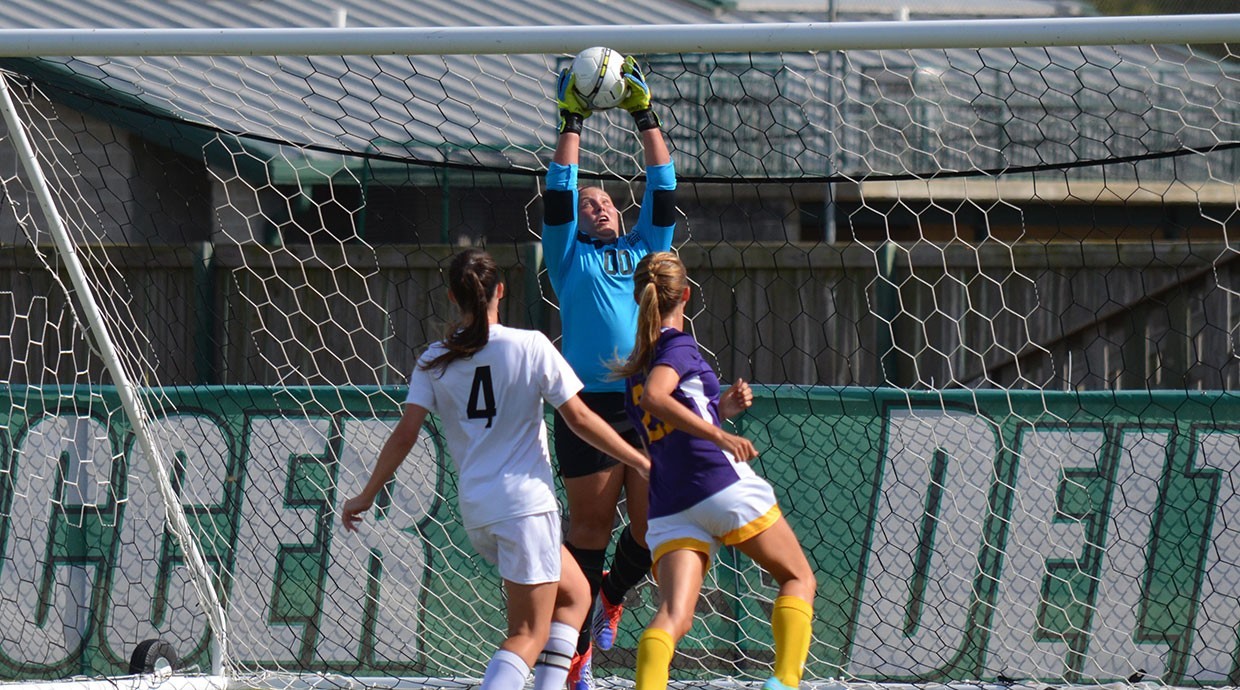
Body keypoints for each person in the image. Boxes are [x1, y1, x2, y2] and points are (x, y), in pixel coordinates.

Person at [341, 248, 651, 690]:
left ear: (453, 297)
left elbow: (405, 434)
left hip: (479, 511)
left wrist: (367, 494)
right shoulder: (531, 346)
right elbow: (580, 419)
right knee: (527, 634)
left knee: (577, 594)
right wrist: (638, 459)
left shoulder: (434, 358)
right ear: (500, 291)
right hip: (525, 507)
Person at [611, 252, 817, 690]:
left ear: (639, 298)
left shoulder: (636, 366)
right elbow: (658, 398)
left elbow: (667, 421)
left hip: (670, 504)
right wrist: (721, 435)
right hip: (717, 484)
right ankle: (784, 682)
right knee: (797, 578)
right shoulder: (678, 346)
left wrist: (720, 408)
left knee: (674, 615)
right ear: (686, 295)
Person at [543, 55, 677, 688]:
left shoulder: (645, 250)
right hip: (588, 408)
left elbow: (664, 187)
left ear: (622, 215)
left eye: (605, 202)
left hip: (644, 401)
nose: (596, 206)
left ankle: (611, 598)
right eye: (587, 202)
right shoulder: (570, 258)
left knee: (651, 530)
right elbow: (558, 193)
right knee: (591, 529)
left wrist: (643, 115)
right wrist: (571, 122)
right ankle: (574, 658)